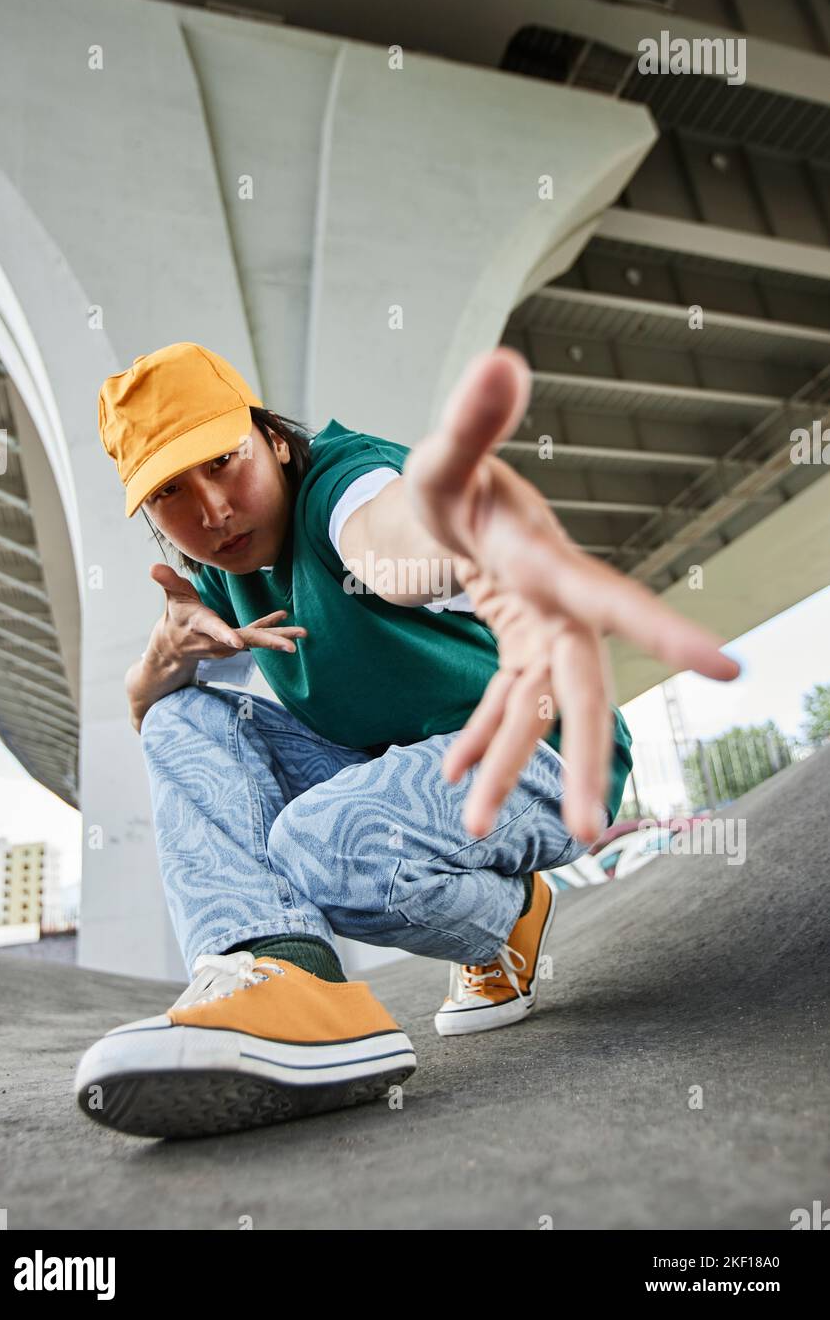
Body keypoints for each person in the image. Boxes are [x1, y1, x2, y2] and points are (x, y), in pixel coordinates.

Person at [75, 341, 739, 1140]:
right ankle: (281, 972)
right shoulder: (212, 576)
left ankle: (502, 909)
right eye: (171, 494)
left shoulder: (340, 485)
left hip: (536, 755)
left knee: (320, 843)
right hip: (395, 773)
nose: (211, 510)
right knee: (184, 716)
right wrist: (161, 660)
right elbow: (157, 726)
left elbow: (386, 537)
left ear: (274, 441)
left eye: (224, 462)